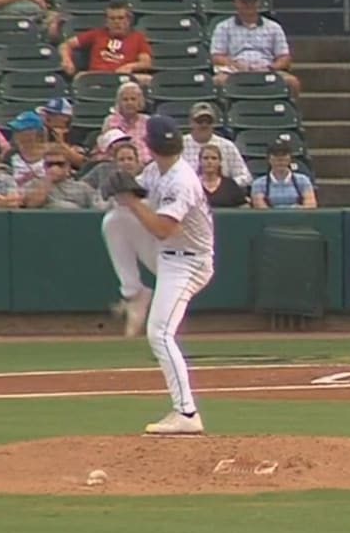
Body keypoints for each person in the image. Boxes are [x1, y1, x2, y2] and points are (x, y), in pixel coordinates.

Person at [114, 115, 217, 435]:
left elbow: (162, 228)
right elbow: (138, 194)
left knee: (159, 332)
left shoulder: (182, 180)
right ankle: (134, 292)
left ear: (149, 145)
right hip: (167, 254)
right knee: (114, 220)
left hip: (189, 263)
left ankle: (186, 412)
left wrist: (130, 200)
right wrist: (123, 189)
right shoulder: (155, 170)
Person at [98, 138, 155, 336]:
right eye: (122, 159)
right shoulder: (112, 182)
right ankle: (133, 294)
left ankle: (135, 297)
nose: (126, 162)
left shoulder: (149, 178)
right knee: (113, 219)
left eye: (130, 158)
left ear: (138, 162)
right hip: (140, 237)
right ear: (115, 163)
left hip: (162, 238)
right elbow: (100, 203)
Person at [210, 0, 300, 97]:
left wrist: (271, 67)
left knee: (292, 82)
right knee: (217, 81)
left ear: (258, 2)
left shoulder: (273, 27)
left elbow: (284, 57)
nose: (249, 5)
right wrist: (234, 65)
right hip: (235, 71)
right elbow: (216, 56)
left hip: (267, 69)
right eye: (244, 1)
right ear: (236, 2)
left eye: (252, 1)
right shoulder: (223, 27)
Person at [60, 0, 153, 79]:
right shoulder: (96, 34)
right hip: (96, 76)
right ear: (106, 21)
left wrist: (130, 67)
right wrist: (66, 59)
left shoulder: (138, 37)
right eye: (112, 18)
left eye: (121, 18)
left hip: (122, 77)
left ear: (129, 20)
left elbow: (146, 62)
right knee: (80, 77)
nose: (116, 22)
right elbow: (66, 44)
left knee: (147, 79)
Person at [182, 102, 252, 195]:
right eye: (200, 121)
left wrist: (221, 186)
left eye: (208, 121)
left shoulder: (227, 146)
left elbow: (246, 177)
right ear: (191, 122)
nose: (204, 125)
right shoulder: (179, 145)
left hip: (222, 194)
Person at [250, 139, 317, 208]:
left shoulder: (303, 180)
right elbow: (261, 208)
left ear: (290, 159)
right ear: (269, 160)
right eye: (276, 157)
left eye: (284, 157)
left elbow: (310, 205)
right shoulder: (258, 184)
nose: (280, 161)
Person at [39, 145, 99, 209]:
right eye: (49, 164)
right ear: (44, 165)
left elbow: (98, 209)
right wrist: (48, 179)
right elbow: (32, 204)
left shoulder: (83, 188)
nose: (54, 167)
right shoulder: (35, 184)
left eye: (60, 164)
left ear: (68, 166)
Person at [100, 81, 150, 155]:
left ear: (140, 102)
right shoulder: (111, 121)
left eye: (133, 99)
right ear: (119, 103)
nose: (129, 103)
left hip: (147, 159)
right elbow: (106, 148)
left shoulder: (147, 121)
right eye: (125, 99)